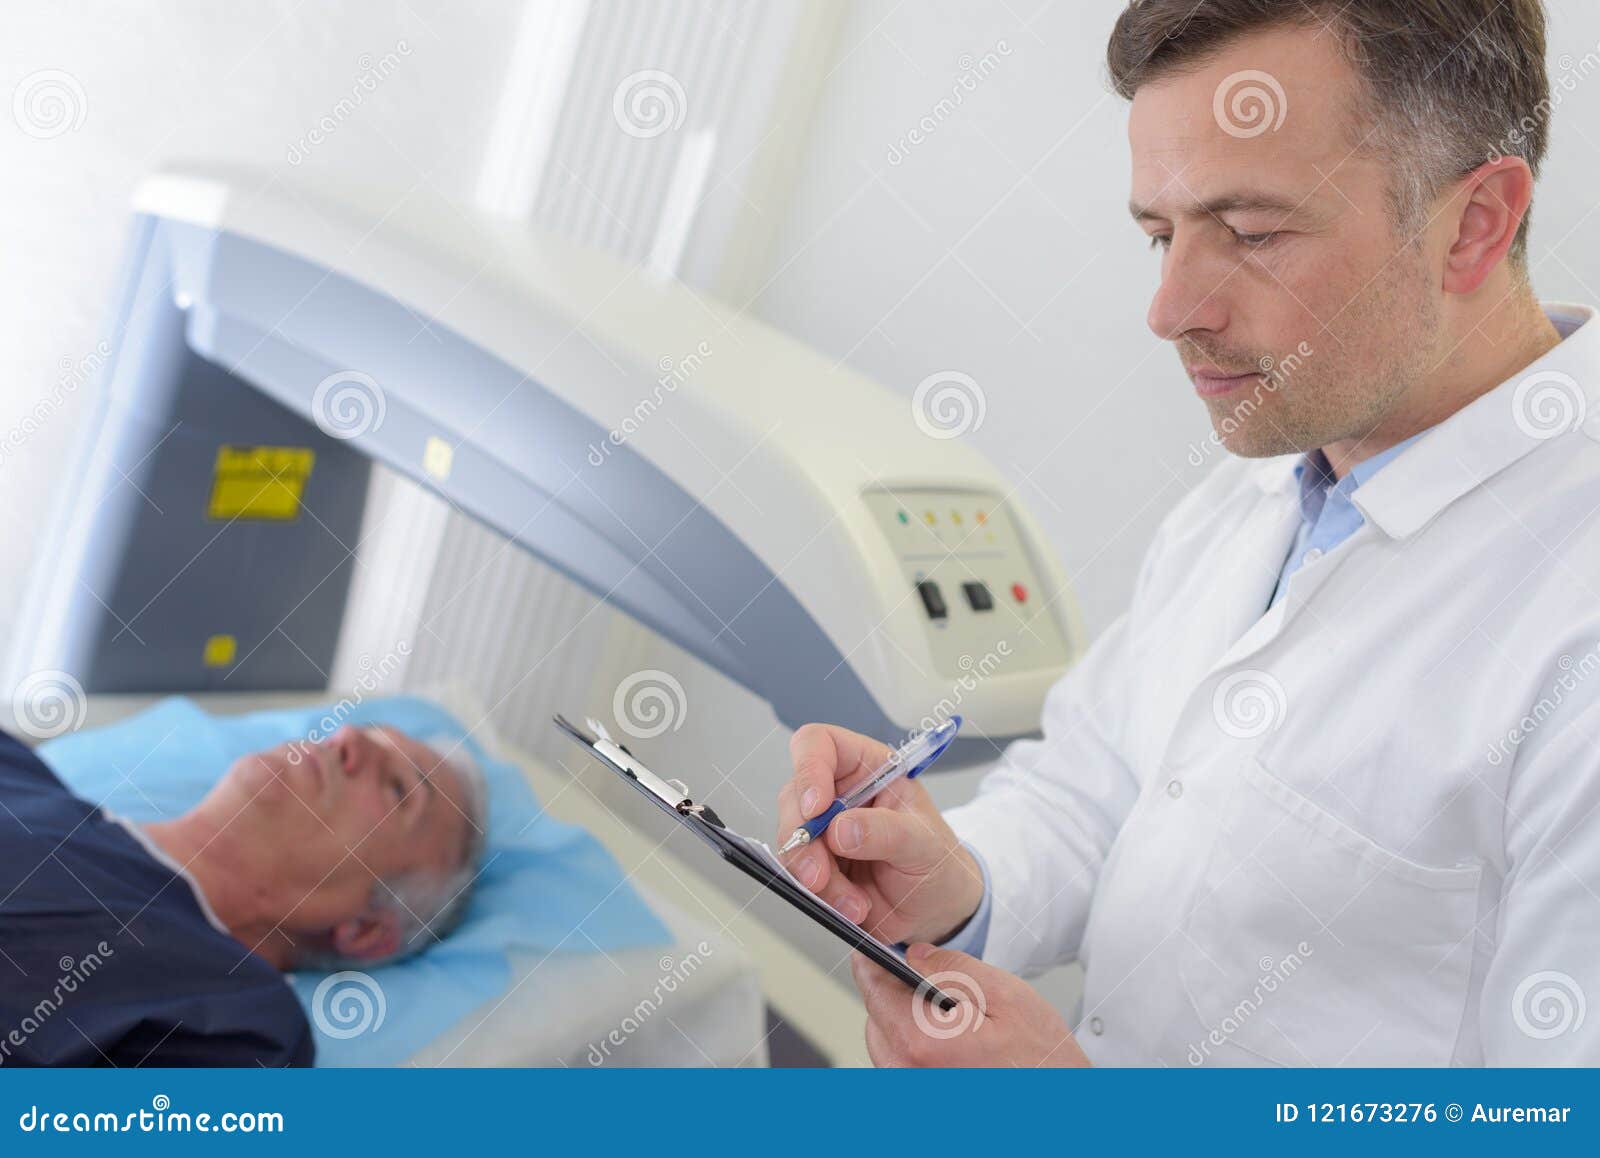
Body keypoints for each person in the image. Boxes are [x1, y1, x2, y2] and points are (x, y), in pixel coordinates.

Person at [779, 0, 1600, 1066]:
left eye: (1252, 234)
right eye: (1160, 236)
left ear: (1474, 224)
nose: (1170, 310)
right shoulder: (1269, 476)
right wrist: (956, 883)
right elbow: (1101, 792)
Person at [0, 723, 484, 1066]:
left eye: (398, 789)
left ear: (366, 930)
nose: (347, 737)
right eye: (366, 731)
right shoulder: (15, 765)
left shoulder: (245, 1032)